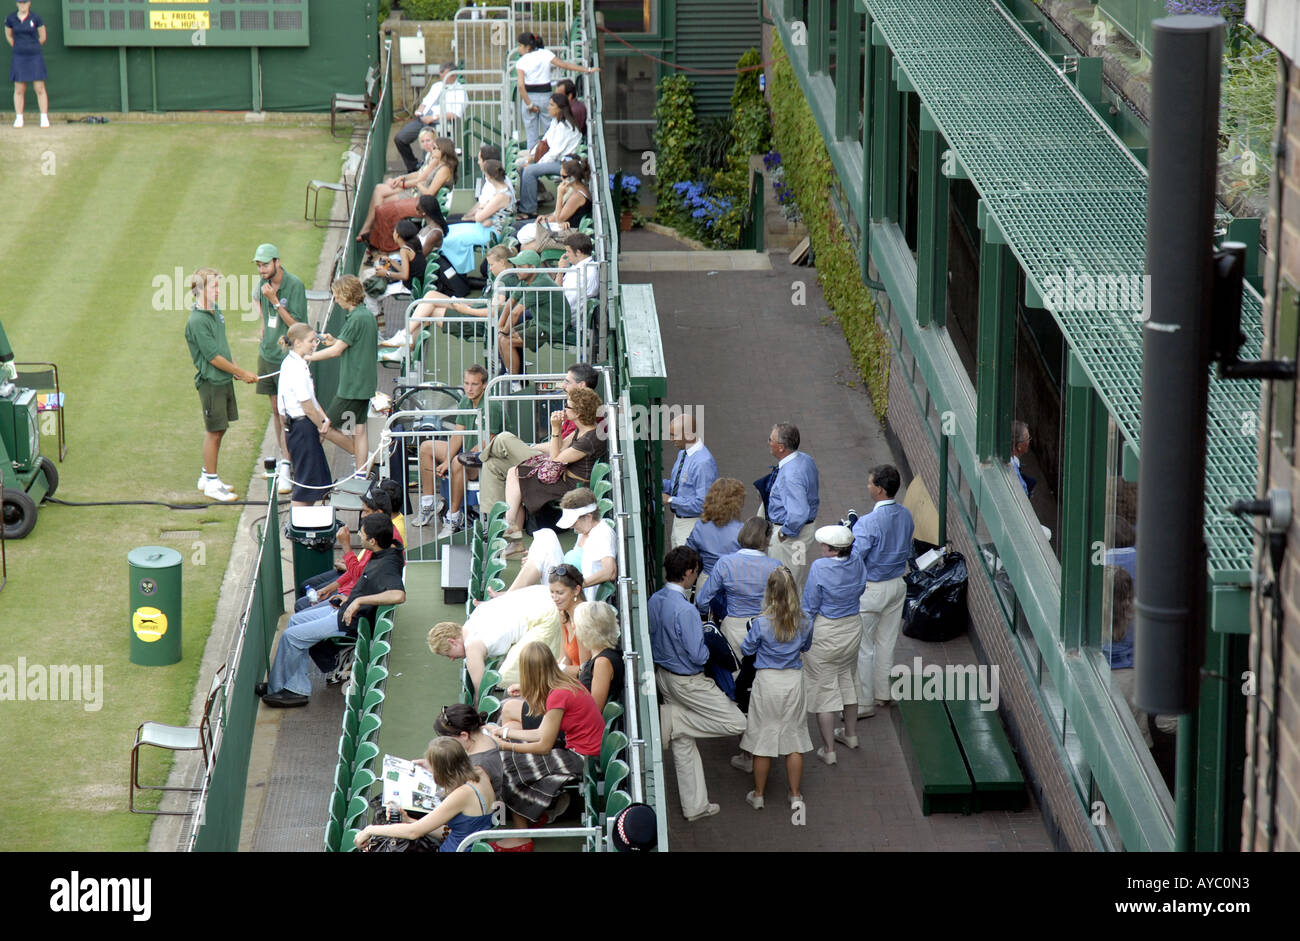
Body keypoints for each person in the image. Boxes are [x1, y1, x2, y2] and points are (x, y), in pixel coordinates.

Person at [258, 514, 405, 707]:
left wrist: (358, 601)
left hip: (348, 620)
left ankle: (294, 691)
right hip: (343, 607)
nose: (359, 537)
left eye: (361, 534)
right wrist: (349, 598)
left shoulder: (388, 564)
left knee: (290, 636)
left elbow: (398, 595)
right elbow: (367, 582)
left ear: (373, 540)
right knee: (294, 622)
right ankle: (284, 685)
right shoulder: (385, 551)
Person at [649, 546, 747, 822]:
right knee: (737, 723)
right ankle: (675, 721)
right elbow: (699, 654)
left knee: (682, 744)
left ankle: (695, 807)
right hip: (687, 680)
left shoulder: (655, 599)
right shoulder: (687, 610)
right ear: (689, 572)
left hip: (664, 676)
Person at [485, 641, 603, 850]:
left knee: (505, 765)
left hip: (582, 758)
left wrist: (505, 745)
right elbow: (542, 733)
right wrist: (505, 733)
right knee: (509, 755)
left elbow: (543, 746)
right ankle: (532, 814)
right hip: (581, 751)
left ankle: (522, 837)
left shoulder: (558, 694)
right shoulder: (563, 683)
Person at [471, 362, 600, 512]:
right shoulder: (575, 412)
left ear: (581, 385)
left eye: (567, 381)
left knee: (503, 438)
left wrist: (555, 428)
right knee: (492, 465)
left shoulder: (583, 416)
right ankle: (494, 519)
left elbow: (558, 452)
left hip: (554, 466)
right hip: (549, 458)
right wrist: (530, 448)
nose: (563, 385)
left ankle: (479, 456)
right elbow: (559, 443)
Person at [739, 566, 814, 812]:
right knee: (794, 739)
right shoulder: (804, 621)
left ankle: (758, 795)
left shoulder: (761, 623)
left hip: (767, 681)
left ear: (770, 591)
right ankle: (795, 795)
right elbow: (806, 647)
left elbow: (747, 649)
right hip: (793, 680)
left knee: (764, 737)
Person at [185, 267, 257, 502]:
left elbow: (222, 345)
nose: (218, 290)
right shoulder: (197, 321)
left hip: (224, 379)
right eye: (214, 286)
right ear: (200, 289)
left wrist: (235, 368)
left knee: (221, 427)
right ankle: (212, 483)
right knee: (214, 431)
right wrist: (241, 372)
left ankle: (207, 476)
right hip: (211, 383)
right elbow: (213, 357)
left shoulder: (215, 310)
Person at [353, 738, 495, 853]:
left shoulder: (462, 795)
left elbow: (413, 833)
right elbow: (452, 832)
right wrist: (408, 819)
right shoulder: (480, 774)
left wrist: (369, 830)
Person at [413, 364, 508, 536]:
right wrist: (447, 460)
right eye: (466, 383)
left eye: (474, 384)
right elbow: (457, 435)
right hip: (472, 455)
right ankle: (428, 503)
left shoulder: (491, 405)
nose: (469, 388)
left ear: (484, 385)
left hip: (489, 461)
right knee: (426, 447)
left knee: (459, 462)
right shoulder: (466, 400)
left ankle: (454, 517)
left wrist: (454, 460)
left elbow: (487, 443)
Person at [801, 525, 869, 765]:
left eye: (824, 546)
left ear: (832, 549)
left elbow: (809, 606)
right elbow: (861, 588)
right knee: (849, 678)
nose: (821, 549)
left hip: (826, 631)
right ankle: (850, 735)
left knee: (824, 691)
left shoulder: (820, 567)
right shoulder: (858, 560)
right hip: (852, 627)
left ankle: (828, 750)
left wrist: (802, 640)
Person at [503, 385, 604, 537]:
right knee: (516, 474)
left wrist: (556, 429)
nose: (564, 408)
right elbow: (561, 446)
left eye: (567, 406)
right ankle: (511, 530)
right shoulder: (584, 429)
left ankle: (510, 527)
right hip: (568, 478)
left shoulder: (589, 439)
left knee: (515, 474)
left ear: (579, 413)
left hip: (573, 485)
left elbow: (555, 460)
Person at [853, 464, 914, 714]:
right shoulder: (907, 515)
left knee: (865, 646)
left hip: (871, 590)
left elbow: (856, 558)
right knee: (887, 642)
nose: (867, 486)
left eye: (870, 483)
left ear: (879, 489)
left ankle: (864, 703)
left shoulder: (867, 523)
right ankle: (883, 693)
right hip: (898, 585)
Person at [305, 275, 378, 477]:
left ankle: (363, 460)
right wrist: (335, 341)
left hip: (352, 386)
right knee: (359, 430)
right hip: (364, 384)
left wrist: (308, 356)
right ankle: (362, 472)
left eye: (337, 295)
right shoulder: (366, 316)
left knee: (324, 426)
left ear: (346, 295)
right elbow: (349, 345)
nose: (335, 300)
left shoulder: (356, 318)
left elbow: (336, 351)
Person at [426, 584, 563, 692]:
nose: (451, 659)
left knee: (509, 677)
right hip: (543, 595)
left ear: (452, 641)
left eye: (447, 654)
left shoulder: (472, 646)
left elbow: (481, 690)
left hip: (545, 614)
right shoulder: (476, 615)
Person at [252, 243, 308, 494]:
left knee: (288, 411)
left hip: (286, 358)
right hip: (267, 354)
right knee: (275, 409)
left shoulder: (294, 285)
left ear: (277, 262)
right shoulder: (262, 284)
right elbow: (258, 300)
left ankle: (288, 461)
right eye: (259, 265)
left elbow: (297, 326)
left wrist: (275, 302)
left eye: (265, 264)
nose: (262, 269)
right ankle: (285, 460)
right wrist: (263, 325)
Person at [294, 486, 402, 613]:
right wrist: (329, 588)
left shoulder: (383, 537)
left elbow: (359, 576)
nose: (362, 516)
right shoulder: (377, 530)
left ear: (378, 513)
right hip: (349, 588)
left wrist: (346, 546)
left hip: (352, 598)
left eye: (366, 511)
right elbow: (359, 570)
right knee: (305, 589)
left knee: (301, 606)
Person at [697, 517, 783, 663]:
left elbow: (702, 599)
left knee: (734, 675)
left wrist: (706, 616)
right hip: (766, 627)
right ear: (766, 538)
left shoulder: (725, 563)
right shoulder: (775, 566)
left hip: (732, 627)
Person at [276, 323, 333, 507]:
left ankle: (305, 530)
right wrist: (320, 425)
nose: (314, 344)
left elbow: (311, 398)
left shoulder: (295, 363)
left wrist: (323, 418)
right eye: (311, 341)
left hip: (300, 427)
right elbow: (306, 405)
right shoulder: (296, 367)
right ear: (298, 343)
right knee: (305, 489)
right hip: (302, 428)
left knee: (313, 486)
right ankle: (298, 532)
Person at [366, 137, 457, 251]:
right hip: (420, 200)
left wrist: (418, 184)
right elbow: (422, 178)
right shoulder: (439, 164)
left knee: (385, 210)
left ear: (443, 151)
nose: (432, 150)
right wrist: (414, 182)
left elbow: (429, 194)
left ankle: (386, 248)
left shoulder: (444, 170)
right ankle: (376, 243)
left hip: (423, 205)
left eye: (435, 149)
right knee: (381, 208)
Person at [357, 129, 444, 245]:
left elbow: (420, 179)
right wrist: (401, 178)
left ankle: (373, 233)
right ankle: (371, 231)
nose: (426, 144)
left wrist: (401, 183)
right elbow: (418, 173)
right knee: (379, 190)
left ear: (435, 140)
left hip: (418, 194)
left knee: (383, 201)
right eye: (423, 141)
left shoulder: (435, 158)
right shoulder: (429, 155)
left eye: (428, 140)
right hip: (414, 189)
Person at [495, 248, 573, 377]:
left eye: (520, 266)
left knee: (505, 340)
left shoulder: (540, 283)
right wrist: (500, 326)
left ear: (532, 267)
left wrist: (504, 330)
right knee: (501, 338)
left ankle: (514, 383)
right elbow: (510, 303)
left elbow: (515, 313)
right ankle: (511, 378)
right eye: (516, 265)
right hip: (539, 322)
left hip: (554, 327)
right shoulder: (526, 281)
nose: (516, 269)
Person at [514, 31, 597, 150]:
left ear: (527, 47)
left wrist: (529, 104)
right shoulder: (545, 53)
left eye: (520, 45)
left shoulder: (521, 62)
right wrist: (588, 69)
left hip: (529, 97)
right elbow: (565, 65)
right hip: (546, 97)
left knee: (531, 136)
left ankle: (532, 163)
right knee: (550, 131)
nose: (518, 49)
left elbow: (521, 86)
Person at [764, 422, 819, 589]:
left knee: (784, 583)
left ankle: (787, 614)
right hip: (802, 534)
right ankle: (795, 611)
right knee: (796, 576)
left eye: (770, 439)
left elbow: (798, 513)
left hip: (791, 538)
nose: (768, 442)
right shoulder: (805, 459)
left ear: (781, 447)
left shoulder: (791, 475)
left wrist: (783, 534)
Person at [515, 93, 582, 220]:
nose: (548, 107)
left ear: (560, 108)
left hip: (564, 164)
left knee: (529, 170)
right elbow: (544, 141)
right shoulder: (555, 121)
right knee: (524, 165)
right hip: (555, 160)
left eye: (552, 105)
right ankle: (539, 195)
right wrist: (532, 157)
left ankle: (528, 210)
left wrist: (535, 164)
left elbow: (554, 152)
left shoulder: (565, 127)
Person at [442, 158, 514, 274]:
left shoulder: (501, 196)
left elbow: (478, 218)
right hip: (486, 227)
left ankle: (458, 272)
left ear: (489, 176)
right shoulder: (502, 189)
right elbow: (483, 219)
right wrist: (484, 213)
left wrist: (482, 209)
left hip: (491, 233)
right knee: (448, 230)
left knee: (447, 240)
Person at [393, 63, 466, 173]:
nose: (442, 78)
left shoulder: (460, 91)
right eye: (441, 75)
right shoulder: (437, 86)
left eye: (444, 76)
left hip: (438, 122)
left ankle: (426, 171)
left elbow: (456, 114)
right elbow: (425, 102)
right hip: (422, 119)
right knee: (400, 138)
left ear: (453, 75)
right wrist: (419, 110)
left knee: (428, 143)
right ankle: (413, 167)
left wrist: (433, 117)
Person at [663, 413, 719, 549]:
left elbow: (703, 503)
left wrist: (671, 500)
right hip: (680, 522)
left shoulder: (703, 463)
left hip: (693, 525)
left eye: (674, 435)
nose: (671, 439)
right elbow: (680, 487)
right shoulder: (683, 453)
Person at [516, 158, 592, 250]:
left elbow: (559, 219)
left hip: (567, 235)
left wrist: (560, 194)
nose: (561, 179)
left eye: (563, 176)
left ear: (573, 178)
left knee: (524, 246)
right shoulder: (577, 190)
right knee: (517, 227)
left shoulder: (578, 196)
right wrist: (545, 217)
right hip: (562, 229)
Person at [432, 703, 504, 799]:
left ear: (464, 735)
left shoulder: (478, 766)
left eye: (448, 738)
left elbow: (458, 797)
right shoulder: (485, 738)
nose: (447, 742)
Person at [685, 478, 745, 590]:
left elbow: (688, 552)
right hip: (733, 583)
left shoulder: (700, 526)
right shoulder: (742, 529)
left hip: (706, 581)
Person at [573, 600, 623, 712]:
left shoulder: (603, 662)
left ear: (588, 631)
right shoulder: (598, 654)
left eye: (577, 626)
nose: (573, 628)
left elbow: (594, 710)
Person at [6, 0, 48, 128]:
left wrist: (32, 47)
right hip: (19, 57)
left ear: (29, 3)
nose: (22, 5)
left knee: (39, 87)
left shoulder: (36, 18)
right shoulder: (10, 19)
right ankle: (19, 118)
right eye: (20, 3)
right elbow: (9, 35)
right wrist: (18, 47)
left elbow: (43, 37)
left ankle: (44, 118)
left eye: (25, 3)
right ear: (17, 4)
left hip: (35, 56)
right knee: (19, 88)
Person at [556, 232, 600, 338]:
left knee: (519, 316)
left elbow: (560, 302)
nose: (566, 254)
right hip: (559, 313)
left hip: (562, 320)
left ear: (579, 252)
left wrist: (560, 271)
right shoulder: (581, 267)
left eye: (568, 251)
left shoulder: (583, 274)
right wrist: (560, 271)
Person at [1011, 419, 1035, 497]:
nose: (1029, 441)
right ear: (1019, 446)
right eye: (1027, 439)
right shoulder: (1013, 469)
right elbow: (1023, 492)